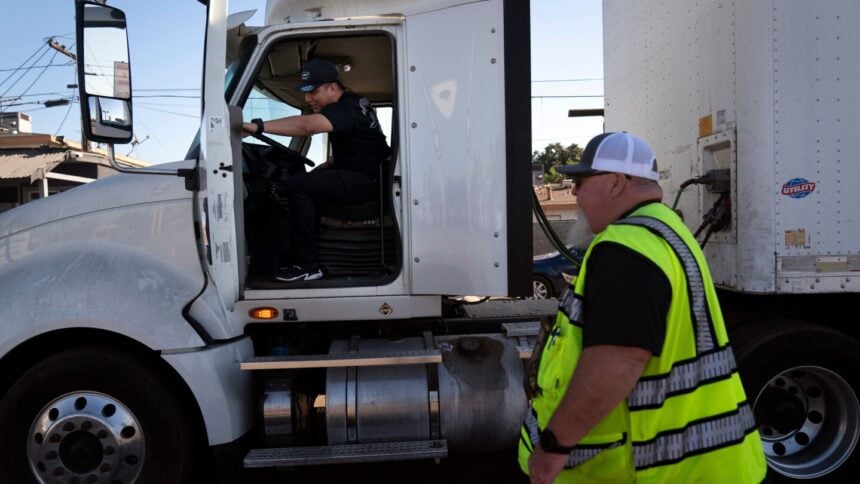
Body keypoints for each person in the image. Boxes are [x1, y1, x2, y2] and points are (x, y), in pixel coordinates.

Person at [518, 132, 766, 483]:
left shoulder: (624, 248)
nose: (573, 192)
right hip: (704, 466)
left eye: (580, 181)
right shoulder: (667, 232)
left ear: (616, 182)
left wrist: (552, 450)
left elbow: (616, 362)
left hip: (661, 472)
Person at [243, 58, 391, 281]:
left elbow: (306, 126)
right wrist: (328, 165)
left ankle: (308, 265)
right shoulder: (354, 103)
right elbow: (361, 147)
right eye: (306, 92)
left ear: (333, 88)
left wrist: (257, 127)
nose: (308, 98)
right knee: (306, 181)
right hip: (370, 177)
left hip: (365, 182)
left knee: (297, 186)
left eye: (313, 91)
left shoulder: (345, 108)